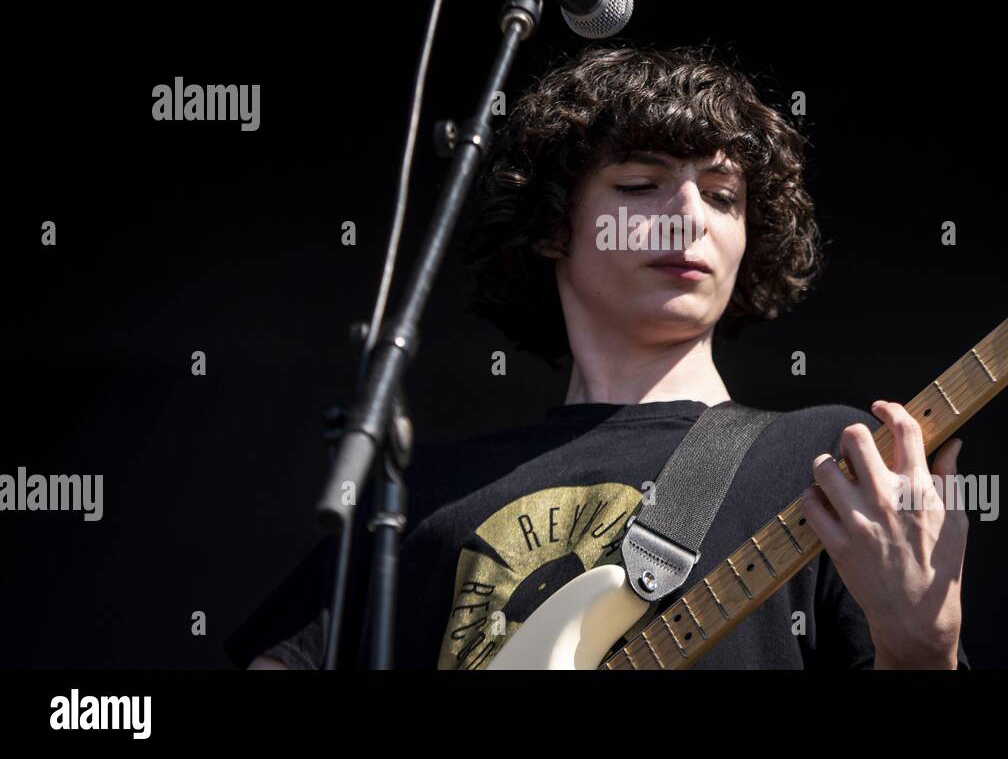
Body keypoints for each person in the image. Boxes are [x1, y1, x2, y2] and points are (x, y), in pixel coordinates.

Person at [225, 43, 970, 670]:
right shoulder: (423, 493)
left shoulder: (826, 460)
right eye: (642, 185)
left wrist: (921, 649)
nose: (688, 218)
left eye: (722, 196)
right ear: (553, 227)